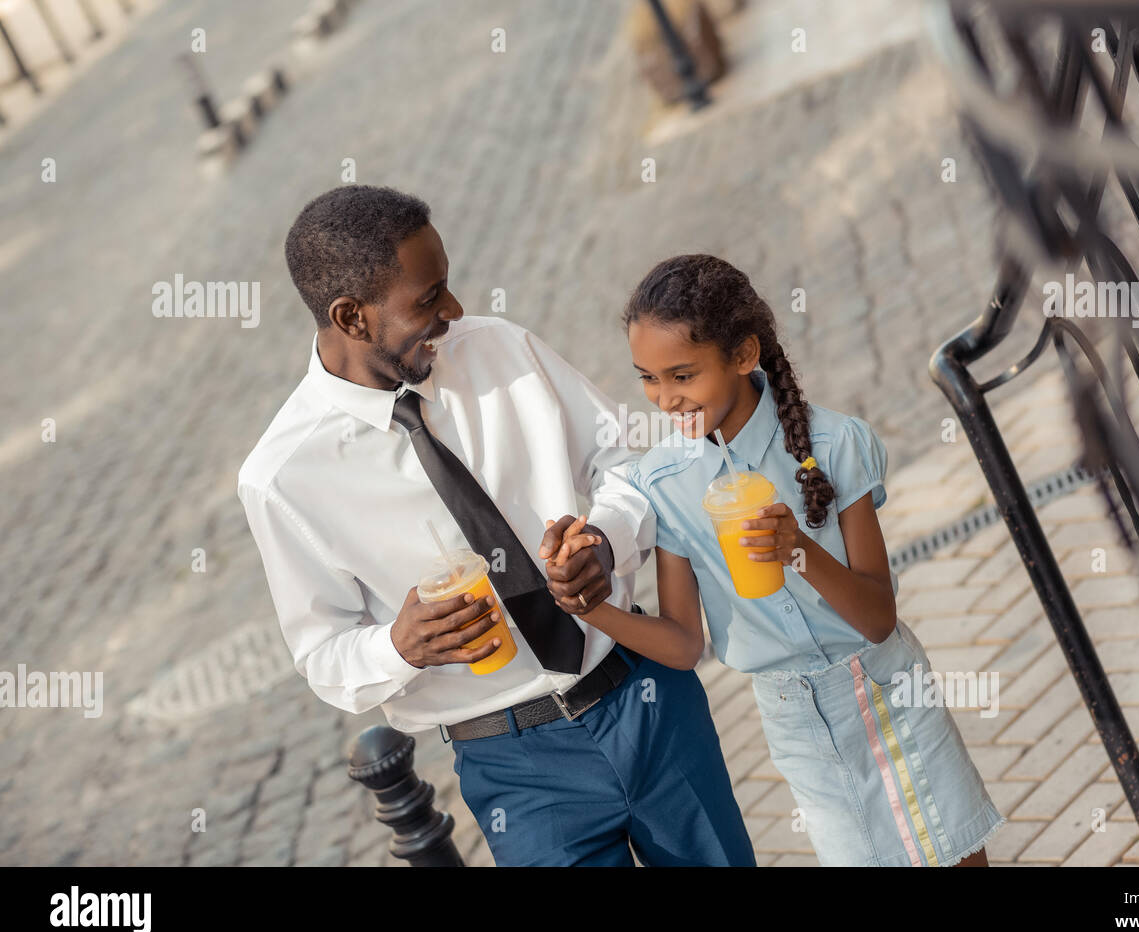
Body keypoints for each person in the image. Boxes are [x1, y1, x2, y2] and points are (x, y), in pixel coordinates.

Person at [236, 186, 754, 866]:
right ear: (350, 318)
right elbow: (324, 657)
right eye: (429, 298)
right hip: (517, 772)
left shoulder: (503, 349)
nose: (452, 311)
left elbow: (625, 462)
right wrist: (399, 646)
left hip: (645, 700)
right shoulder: (282, 479)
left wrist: (607, 536)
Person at [548, 253, 1007, 866]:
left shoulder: (835, 445)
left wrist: (799, 551)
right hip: (793, 718)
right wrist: (592, 608)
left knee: (954, 856)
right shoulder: (665, 484)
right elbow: (685, 644)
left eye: (682, 375)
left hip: (884, 686)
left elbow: (876, 617)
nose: (665, 399)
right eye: (648, 379)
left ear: (743, 356)